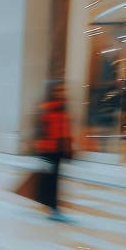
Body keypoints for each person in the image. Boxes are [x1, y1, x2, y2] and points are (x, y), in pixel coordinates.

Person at [35, 82, 73, 222]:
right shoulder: (46, 109)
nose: (61, 92)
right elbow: (40, 132)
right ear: (51, 91)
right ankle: (54, 208)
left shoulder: (63, 107)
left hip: (60, 149)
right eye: (58, 90)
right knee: (51, 181)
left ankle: (53, 206)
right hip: (49, 150)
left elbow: (65, 129)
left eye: (62, 89)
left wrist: (68, 148)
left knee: (55, 180)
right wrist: (41, 151)